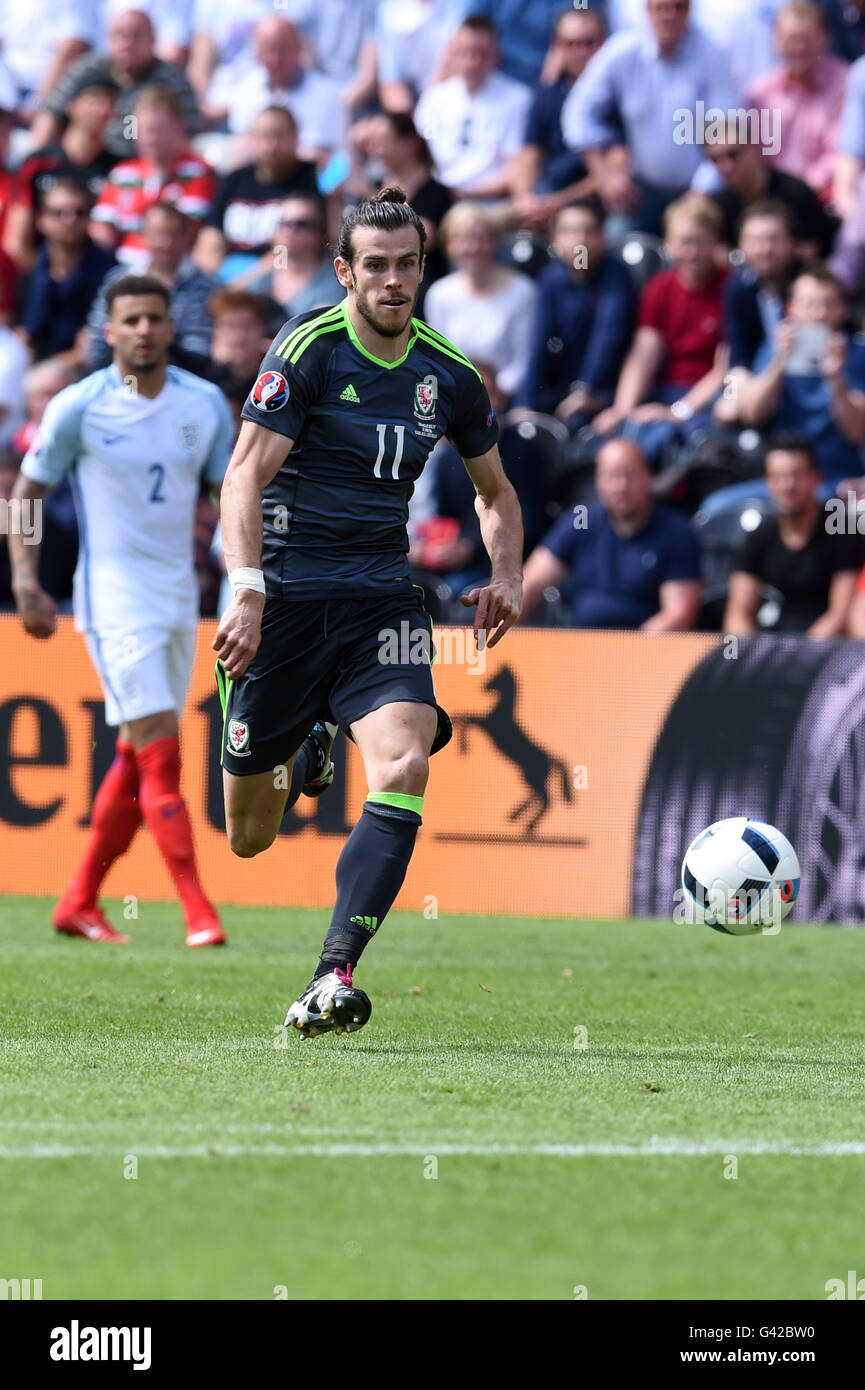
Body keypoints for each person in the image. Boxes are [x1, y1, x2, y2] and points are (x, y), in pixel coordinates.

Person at [212, 187, 522, 1039]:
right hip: (281, 604)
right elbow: (243, 474)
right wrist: (246, 587)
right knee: (248, 835)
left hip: (380, 603)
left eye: (407, 265)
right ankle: (309, 740)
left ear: (424, 269)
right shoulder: (309, 349)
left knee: (406, 766)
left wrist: (507, 574)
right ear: (344, 271)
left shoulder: (448, 375)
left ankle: (332, 972)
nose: (392, 281)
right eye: (374, 266)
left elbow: (495, 492)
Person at [8, 274, 234, 947]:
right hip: (112, 602)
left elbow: (230, 497)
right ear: (108, 331)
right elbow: (23, 493)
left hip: (179, 599)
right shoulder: (79, 406)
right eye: (129, 320)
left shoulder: (206, 406)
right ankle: (199, 911)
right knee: (163, 752)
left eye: (153, 319)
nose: (142, 331)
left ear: (169, 327)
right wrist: (24, 581)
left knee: (138, 754)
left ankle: (77, 901)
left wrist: (245, 582)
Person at [563, 0, 738, 236]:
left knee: (697, 250)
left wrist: (702, 190)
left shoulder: (712, 55)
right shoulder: (623, 51)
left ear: (689, 10)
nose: (669, 16)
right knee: (617, 244)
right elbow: (578, 112)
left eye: (677, 7)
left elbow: (727, 129)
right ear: (647, 11)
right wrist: (604, 172)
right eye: (660, 8)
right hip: (641, 191)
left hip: (702, 191)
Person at [591, 196, 728, 465]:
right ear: (668, 244)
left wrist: (679, 412)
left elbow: (725, 367)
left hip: (709, 398)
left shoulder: (730, 288)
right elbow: (644, 354)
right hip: (666, 391)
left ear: (715, 242)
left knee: (675, 440)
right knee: (618, 432)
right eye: (683, 243)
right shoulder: (659, 288)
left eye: (699, 242)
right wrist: (624, 410)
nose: (692, 253)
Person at [520, 437, 702, 629]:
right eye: (612, 476)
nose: (621, 487)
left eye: (630, 476)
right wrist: (496, 633)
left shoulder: (677, 533)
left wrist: (630, 653)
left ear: (648, 477)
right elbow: (532, 583)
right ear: (598, 481)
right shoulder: (580, 521)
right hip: (580, 647)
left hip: (644, 650)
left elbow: (679, 614)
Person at [728, 267, 865, 485]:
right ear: (791, 309)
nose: (819, 314)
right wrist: (780, 363)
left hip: (839, 480)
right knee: (715, 508)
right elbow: (751, 414)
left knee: (844, 517)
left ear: (842, 310)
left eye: (828, 305)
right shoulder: (776, 348)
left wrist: (837, 379)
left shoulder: (858, 353)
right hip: (782, 483)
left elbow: (857, 432)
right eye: (810, 305)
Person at [512, 199, 636, 429]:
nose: (580, 241)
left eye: (588, 231)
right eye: (570, 232)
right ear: (555, 240)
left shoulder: (617, 277)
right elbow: (538, 342)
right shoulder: (551, 279)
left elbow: (608, 338)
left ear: (603, 238)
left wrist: (585, 390)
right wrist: (524, 402)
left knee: (575, 423)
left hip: (605, 392)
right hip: (560, 389)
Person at [723, 435, 860, 635]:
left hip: (829, 653)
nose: (788, 485)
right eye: (777, 477)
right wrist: (747, 654)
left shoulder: (842, 531)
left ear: (816, 478)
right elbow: (738, 612)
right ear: (767, 483)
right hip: (772, 646)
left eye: (797, 475)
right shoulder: (760, 534)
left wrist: (799, 658)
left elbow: (840, 615)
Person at [31, 8, 200, 160]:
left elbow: (187, 133)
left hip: (136, 170)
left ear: (153, 39)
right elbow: (51, 110)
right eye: (121, 35)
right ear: (108, 39)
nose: (128, 43)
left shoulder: (169, 80)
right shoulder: (89, 69)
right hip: (81, 162)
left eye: (137, 35)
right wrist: (40, 160)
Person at [90, 86, 216, 270]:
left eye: (159, 129)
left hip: (173, 269)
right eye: (143, 129)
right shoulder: (122, 173)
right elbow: (100, 228)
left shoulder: (197, 172)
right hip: (120, 268)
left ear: (178, 127)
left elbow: (184, 230)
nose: (150, 138)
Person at [4, 71, 118, 272]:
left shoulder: (116, 168)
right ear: (72, 106)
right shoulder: (38, 163)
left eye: (110, 102)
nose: (103, 109)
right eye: (95, 99)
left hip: (97, 275)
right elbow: (16, 240)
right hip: (42, 275)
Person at [423, 201, 537, 400]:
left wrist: (492, 395)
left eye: (480, 239)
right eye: (462, 239)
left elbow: (523, 362)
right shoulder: (439, 294)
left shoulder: (523, 291)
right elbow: (439, 359)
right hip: (455, 398)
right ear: (448, 246)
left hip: (506, 399)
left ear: (495, 242)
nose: (472, 248)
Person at [84, 203, 215, 372]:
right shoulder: (117, 280)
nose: (166, 243)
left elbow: (199, 348)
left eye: (173, 234)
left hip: (185, 375)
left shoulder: (206, 287)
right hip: (119, 373)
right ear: (144, 235)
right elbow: (98, 340)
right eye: (158, 234)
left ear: (187, 237)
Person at [413, 15, 533, 199]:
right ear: (452, 53)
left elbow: (517, 167)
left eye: (482, 54)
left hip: (488, 201)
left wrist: (465, 194)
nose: (473, 62)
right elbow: (418, 153)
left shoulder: (518, 99)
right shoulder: (434, 97)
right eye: (466, 52)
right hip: (436, 196)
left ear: (497, 54)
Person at [193, 107, 319, 282]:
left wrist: (241, 284)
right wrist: (210, 280)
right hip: (228, 278)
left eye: (279, 136)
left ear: (296, 137)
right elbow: (212, 234)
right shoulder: (234, 180)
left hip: (280, 277)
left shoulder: (311, 180)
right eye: (264, 137)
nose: (271, 146)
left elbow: (293, 250)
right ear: (252, 139)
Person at [510, 4, 606, 231]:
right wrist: (525, 198)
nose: (581, 52)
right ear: (557, 47)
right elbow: (529, 153)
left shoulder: (616, 95)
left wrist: (556, 203)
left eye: (589, 42)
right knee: (480, 226)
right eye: (571, 43)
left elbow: (614, 171)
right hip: (548, 194)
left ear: (603, 44)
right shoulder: (547, 94)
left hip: (595, 203)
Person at [746, 1, 848, 203]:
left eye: (807, 39)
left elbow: (841, 154)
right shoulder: (761, 93)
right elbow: (755, 157)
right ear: (776, 41)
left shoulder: (847, 84)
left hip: (826, 202)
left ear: (825, 38)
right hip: (772, 203)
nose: (800, 48)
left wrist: (798, 192)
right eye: (792, 39)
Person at [17, 178, 116, 365]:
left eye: (79, 212)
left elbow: (88, 350)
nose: (69, 220)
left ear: (89, 218)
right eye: (58, 213)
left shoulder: (108, 274)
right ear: (41, 220)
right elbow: (23, 333)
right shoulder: (31, 270)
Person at [226, 16, 345, 164]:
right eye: (267, 50)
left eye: (282, 49)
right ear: (257, 53)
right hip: (259, 182)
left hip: (310, 184)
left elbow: (336, 161)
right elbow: (241, 153)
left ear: (299, 48)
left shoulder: (328, 96)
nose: (276, 59)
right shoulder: (247, 89)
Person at [702, 137, 837, 261]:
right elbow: (721, 254)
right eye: (716, 160)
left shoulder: (795, 194)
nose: (726, 166)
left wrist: (745, 257)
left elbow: (811, 250)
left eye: (733, 154)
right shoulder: (721, 204)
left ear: (753, 149)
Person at [718, 200, 803, 381]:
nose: (765, 250)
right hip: (758, 382)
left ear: (792, 242)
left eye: (774, 240)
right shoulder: (737, 287)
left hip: (803, 381)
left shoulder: (809, 285)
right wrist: (736, 394)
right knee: (729, 408)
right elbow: (737, 358)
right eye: (754, 241)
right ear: (741, 244)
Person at [239, 195, 344, 318]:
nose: (290, 230)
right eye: (282, 222)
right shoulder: (263, 277)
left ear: (320, 232)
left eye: (301, 224)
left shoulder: (334, 280)